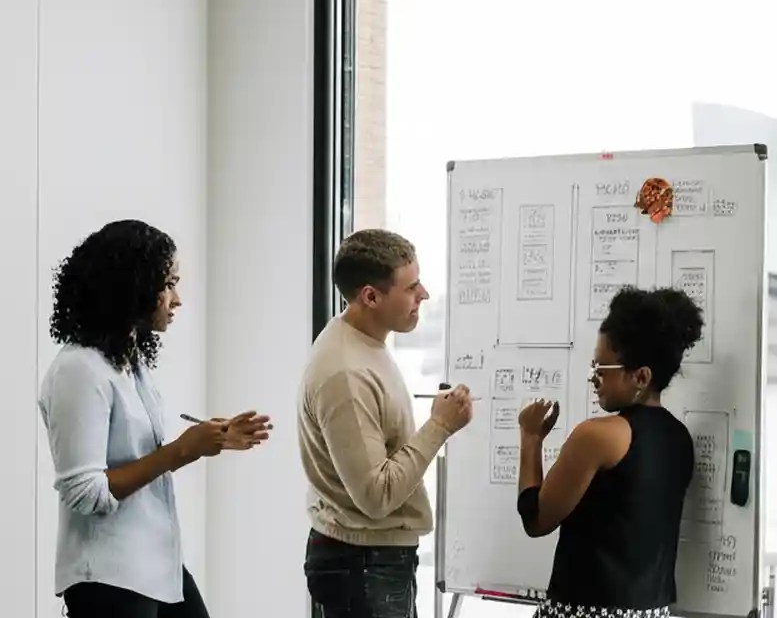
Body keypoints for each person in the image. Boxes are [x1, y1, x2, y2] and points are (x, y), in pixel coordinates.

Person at [38, 219, 272, 618]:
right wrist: (182, 450)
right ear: (131, 286)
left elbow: (136, 458)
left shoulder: (129, 363)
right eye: (167, 284)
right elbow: (85, 492)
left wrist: (208, 439)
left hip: (155, 565)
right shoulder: (79, 370)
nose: (177, 298)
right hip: (109, 578)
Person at [299, 229, 474, 617]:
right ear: (371, 296)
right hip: (363, 562)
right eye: (411, 287)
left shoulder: (365, 343)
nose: (424, 294)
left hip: (370, 559)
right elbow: (375, 496)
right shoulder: (346, 372)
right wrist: (439, 427)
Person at [517, 286, 701, 618]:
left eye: (603, 369)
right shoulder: (680, 438)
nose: (594, 378)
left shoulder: (597, 436)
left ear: (641, 376)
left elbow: (536, 518)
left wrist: (530, 439)